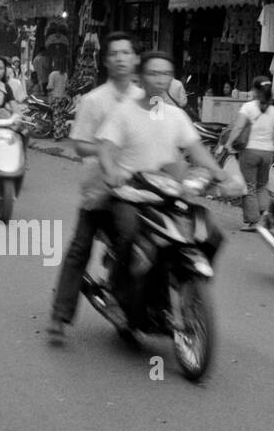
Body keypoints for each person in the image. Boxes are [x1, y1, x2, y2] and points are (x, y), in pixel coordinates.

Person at [96, 51, 230, 328]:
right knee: (128, 232)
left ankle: (190, 288)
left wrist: (218, 173)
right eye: (154, 73)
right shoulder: (123, 112)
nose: (160, 79)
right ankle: (113, 292)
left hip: (169, 191)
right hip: (131, 193)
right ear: (140, 77)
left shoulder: (176, 115)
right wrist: (112, 173)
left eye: (166, 74)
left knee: (211, 234)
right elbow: (106, 151)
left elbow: (196, 150)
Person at [47, 31, 142, 344]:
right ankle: (60, 316)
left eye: (125, 52)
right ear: (106, 61)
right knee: (81, 248)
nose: (120, 58)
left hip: (141, 189)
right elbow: (79, 145)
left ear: (135, 59)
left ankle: (130, 302)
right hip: (101, 189)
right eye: (114, 53)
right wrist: (105, 152)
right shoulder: (93, 100)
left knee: (142, 242)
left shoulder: (146, 100)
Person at [224, 75, 274, 232]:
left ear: (255, 90)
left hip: (250, 151)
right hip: (267, 152)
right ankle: (265, 219)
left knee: (249, 186)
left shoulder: (248, 107)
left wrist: (229, 143)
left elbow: (238, 128)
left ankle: (252, 222)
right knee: (262, 186)